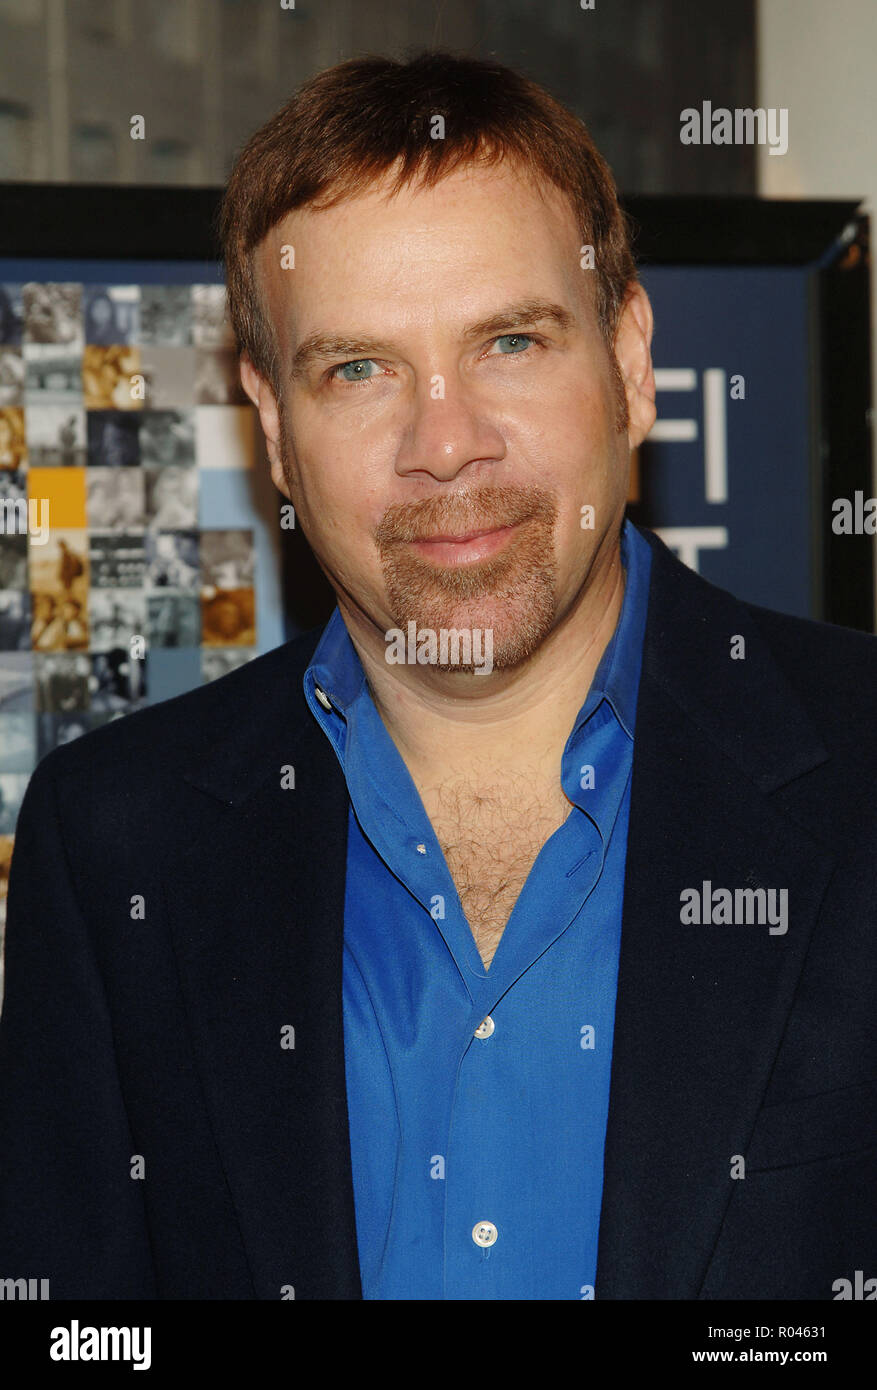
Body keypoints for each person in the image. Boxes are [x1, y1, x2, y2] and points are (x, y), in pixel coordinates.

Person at [0, 52, 875, 1302]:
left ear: (630, 365)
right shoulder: (114, 847)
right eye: (358, 369)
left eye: (510, 341)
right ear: (272, 426)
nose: (443, 442)